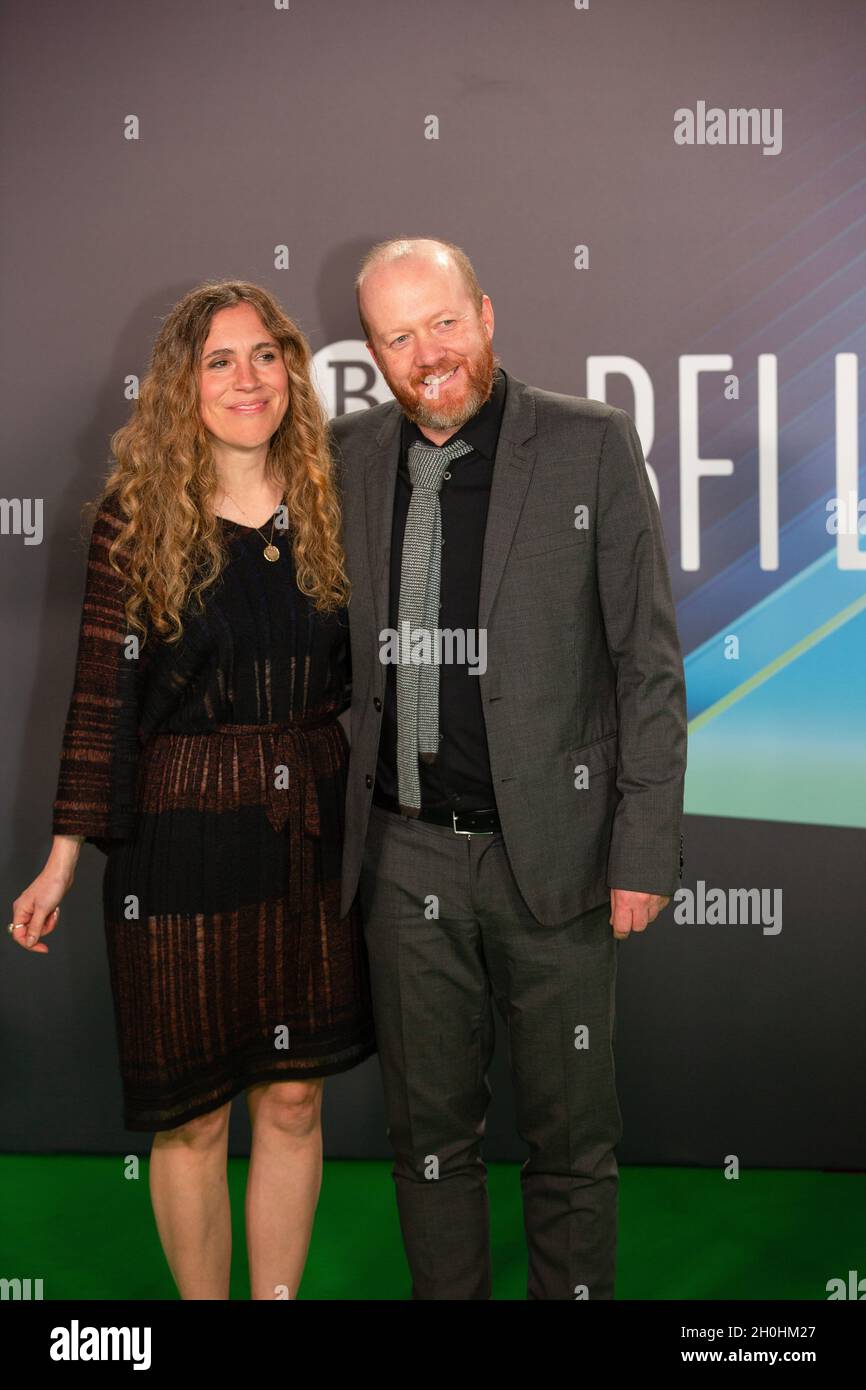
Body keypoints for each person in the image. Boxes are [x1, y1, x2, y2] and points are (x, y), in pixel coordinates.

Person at [329, 237, 687, 1300]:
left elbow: (647, 666)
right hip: (400, 857)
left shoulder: (586, 443)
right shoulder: (344, 455)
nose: (425, 353)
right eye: (397, 336)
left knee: (571, 1141)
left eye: (441, 322)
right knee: (427, 1142)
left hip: (558, 856)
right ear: (372, 354)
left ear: (484, 316)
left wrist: (641, 848)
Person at [10, 280, 376, 1300]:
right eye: (219, 361)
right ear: (183, 383)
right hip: (175, 839)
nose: (246, 379)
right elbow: (99, 699)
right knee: (195, 1112)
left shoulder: (334, 499)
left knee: (295, 1098)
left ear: (290, 371)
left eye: (264, 355)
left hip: (306, 828)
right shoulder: (138, 518)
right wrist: (62, 857)